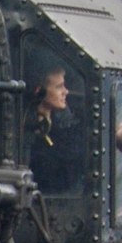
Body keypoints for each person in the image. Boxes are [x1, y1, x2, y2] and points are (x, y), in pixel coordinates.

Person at [24, 63, 86, 195]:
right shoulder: (25, 129)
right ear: (39, 91)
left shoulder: (66, 126)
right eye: (59, 87)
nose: (66, 91)